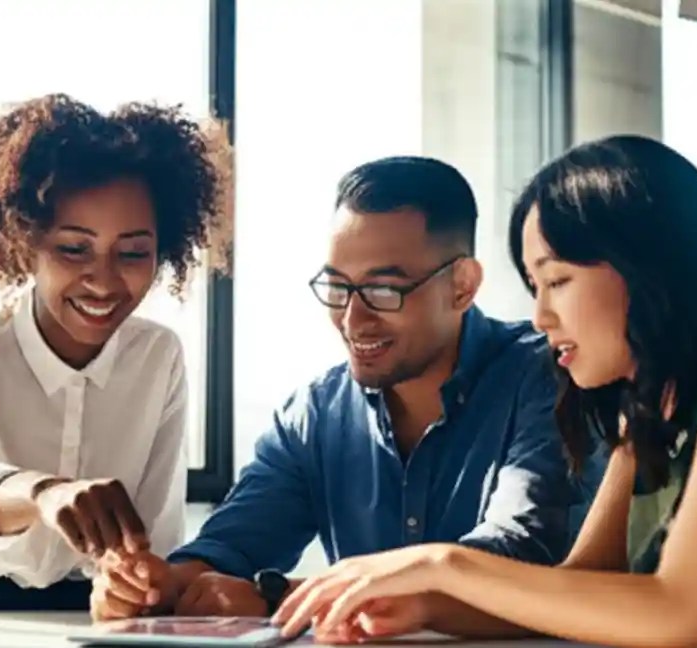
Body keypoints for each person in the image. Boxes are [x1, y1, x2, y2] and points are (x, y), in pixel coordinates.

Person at [272, 135, 697, 648]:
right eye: (534, 285)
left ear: (644, 264)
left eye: (557, 281)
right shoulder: (652, 400)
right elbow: (585, 586)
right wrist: (422, 605)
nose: (541, 316)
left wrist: (444, 564)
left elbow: (676, 611)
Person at [92, 156, 599, 621]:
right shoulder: (316, 415)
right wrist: (154, 585)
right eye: (338, 288)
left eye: (383, 290)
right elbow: (232, 546)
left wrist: (284, 595)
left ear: (461, 285)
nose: (353, 319)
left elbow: (522, 554)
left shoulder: (549, 375)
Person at [0, 94, 231, 610]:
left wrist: (138, 578)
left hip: (80, 608)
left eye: (132, 253)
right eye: (73, 248)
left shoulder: (158, 356)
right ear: (23, 243)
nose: (104, 281)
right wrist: (43, 494)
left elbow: (152, 532)